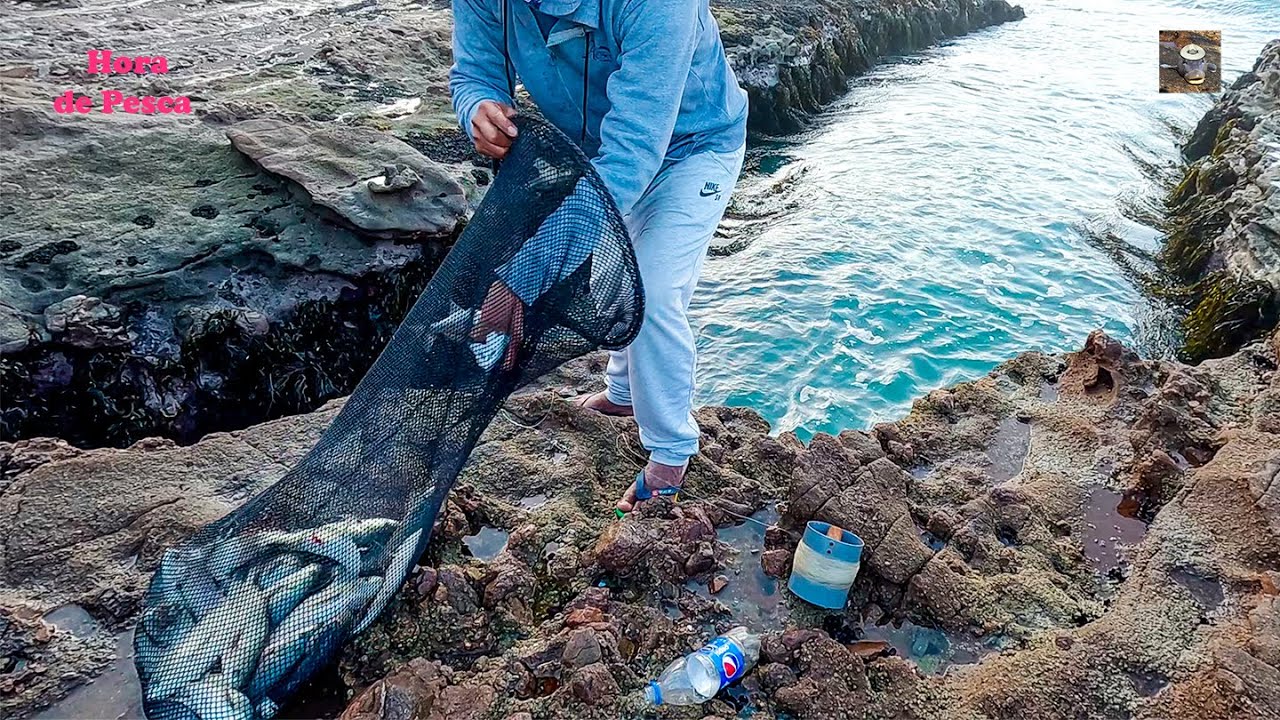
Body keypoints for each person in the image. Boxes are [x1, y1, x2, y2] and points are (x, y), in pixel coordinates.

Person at [450, 0, 748, 513]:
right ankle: (623, 393)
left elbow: (632, 155)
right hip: (595, 152)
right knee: (615, 269)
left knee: (651, 287)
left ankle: (671, 452)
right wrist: (476, 107)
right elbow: (474, 72)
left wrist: (521, 279)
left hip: (694, 147)